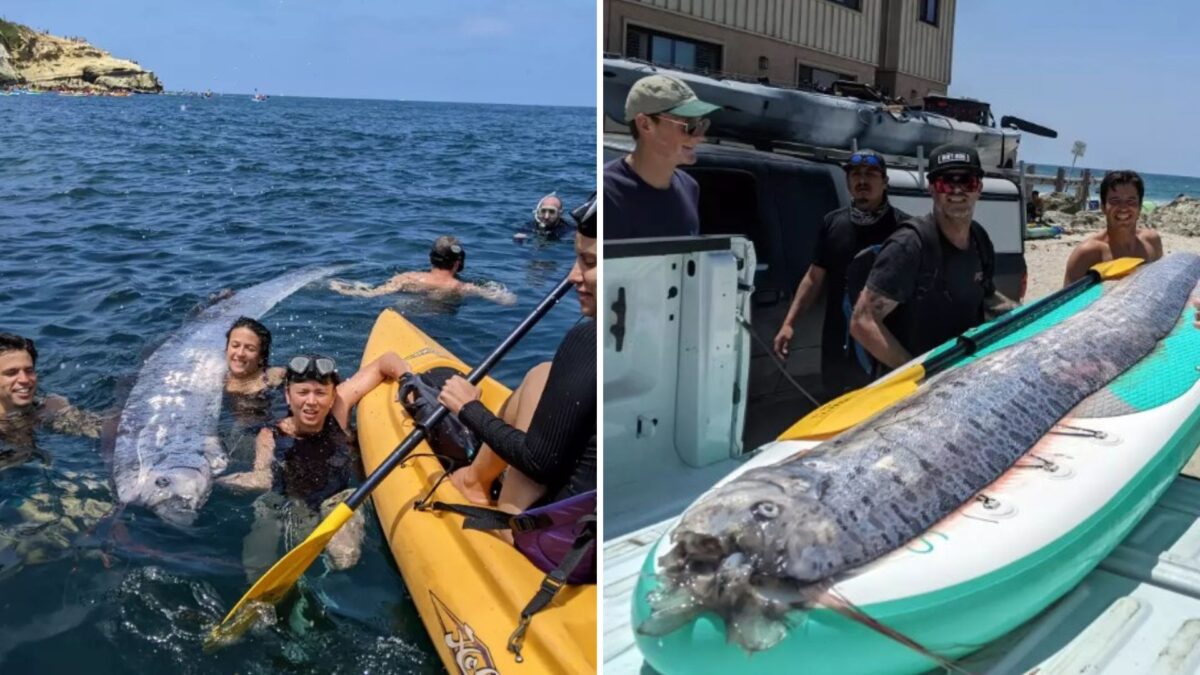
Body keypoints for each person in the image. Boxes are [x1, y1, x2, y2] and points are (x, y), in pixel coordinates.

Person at [438, 193, 597, 520]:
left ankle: (502, 517)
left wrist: (470, 410)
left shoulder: (590, 338)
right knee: (542, 372)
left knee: (540, 382)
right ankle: (475, 481)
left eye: (590, 262)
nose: (572, 276)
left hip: (563, 538)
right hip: (592, 504)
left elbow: (539, 462)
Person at [217, 351, 411, 577]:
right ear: (288, 396)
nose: (311, 402)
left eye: (320, 393)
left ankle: (325, 580)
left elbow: (384, 361)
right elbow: (262, 476)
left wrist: (407, 380)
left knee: (345, 558)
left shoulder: (338, 410)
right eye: (303, 392)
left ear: (332, 397)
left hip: (339, 499)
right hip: (286, 503)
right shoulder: (270, 435)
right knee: (256, 565)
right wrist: (217, 482)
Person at [850, 145, 1018, 371]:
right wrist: (916, 373)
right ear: (931, 189)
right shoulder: (909, 245)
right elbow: (862, 321)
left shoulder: (980, 239)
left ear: (979, 188)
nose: (957, 191)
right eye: (946, 182)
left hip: (962, 372)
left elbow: (987, 296)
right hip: (918, 387)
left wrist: (1029, 317)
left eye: (967, 181)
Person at [772, 150, 909, 395]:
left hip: (883, 343)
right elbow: (814, 278)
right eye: (856, 174)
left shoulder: (905, 229)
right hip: (837, 345)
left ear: (885, 182)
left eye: (871, 174)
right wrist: (789, 323)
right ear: (848, 182)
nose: (862, 181)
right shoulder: (832, 223)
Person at [605, 74, 720, 240]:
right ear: (645, 125)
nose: (700, 137)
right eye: (690, 125)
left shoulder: (690, 187)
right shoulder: (607, 192)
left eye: (701, 124)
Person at [0, 332, 103, 457]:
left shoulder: (50, 406)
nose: (25, 379)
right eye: (11, 373)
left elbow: (98, 428)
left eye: (29, 371)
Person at [329, 236, 516, 305]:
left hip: (409, 312)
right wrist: (498, 291)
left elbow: (373, 294)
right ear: (458, 263)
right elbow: (509, 301)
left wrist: (341, 289)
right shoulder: (462, 287)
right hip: (439, 321)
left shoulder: (408, 277)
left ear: (431, 258)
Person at [1063, 171, 1163, 285]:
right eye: (1115, 201)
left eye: (1131, 201)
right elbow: (1066, 301)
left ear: (1140, 207)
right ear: (1103, 207)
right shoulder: (1087, 253)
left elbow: (1159, 286)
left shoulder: (1152, 242)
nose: (1123, 207)